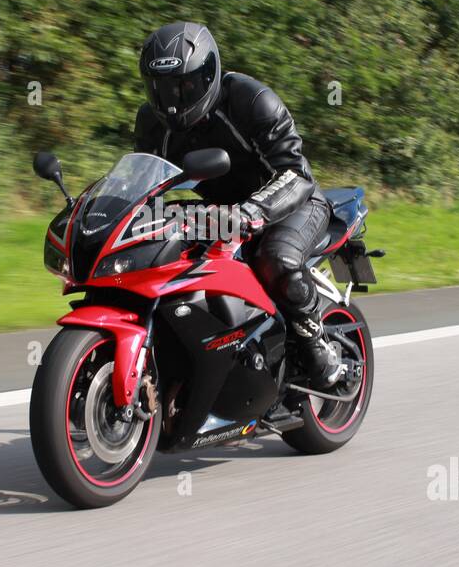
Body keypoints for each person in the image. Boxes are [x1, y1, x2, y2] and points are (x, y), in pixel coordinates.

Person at [133, 20, 345, 388]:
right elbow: (145, 185)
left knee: (275, 258)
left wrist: (253, 212)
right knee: (156, 258)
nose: (174, 99)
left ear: (209, 73)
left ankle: (316, 344)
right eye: (162, 88)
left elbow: (295, 173)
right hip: (220, 212)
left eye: (185, 85)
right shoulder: (150, 123)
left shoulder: (251, 101)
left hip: (293, 203)